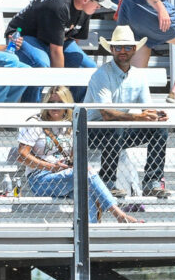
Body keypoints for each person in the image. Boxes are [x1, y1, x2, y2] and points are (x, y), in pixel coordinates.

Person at [16, 86, 144, 220]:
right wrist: (51, 167)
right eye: (51, 102)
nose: (55, 106)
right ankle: (118, 214)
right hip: (40, 179)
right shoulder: (35, 122)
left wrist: (70, 164)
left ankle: (90, 234)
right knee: (84, 173)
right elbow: (22, 155)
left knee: (86, 191)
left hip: (66, 176)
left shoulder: (70, 125)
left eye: (60, 103)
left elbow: (72, 157)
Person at [85, 24, 171, 196]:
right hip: (89, 131)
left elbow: (148, 109)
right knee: (115, 126)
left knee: (159, 128)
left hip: (118, 131)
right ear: (111, 49)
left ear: (134, 50)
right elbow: (106, 114)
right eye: (118, 47)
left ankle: (152, 181)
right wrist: (140, 118)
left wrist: (156, 115)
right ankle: (107, 182)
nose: (122, 51)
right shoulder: (101, 74)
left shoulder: (139, 76)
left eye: (127, 47)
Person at [7, 0, 104, 89]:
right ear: (85, 0)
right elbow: (56, 51)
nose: (99, 8)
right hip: (24, 35)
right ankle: (33, 104)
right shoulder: (60, 7)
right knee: (42, 65)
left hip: (50, 40)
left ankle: (75, 105)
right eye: (99, 4)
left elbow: (74, 38)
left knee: (89, 68)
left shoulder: (85, 8)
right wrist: (59, 87)